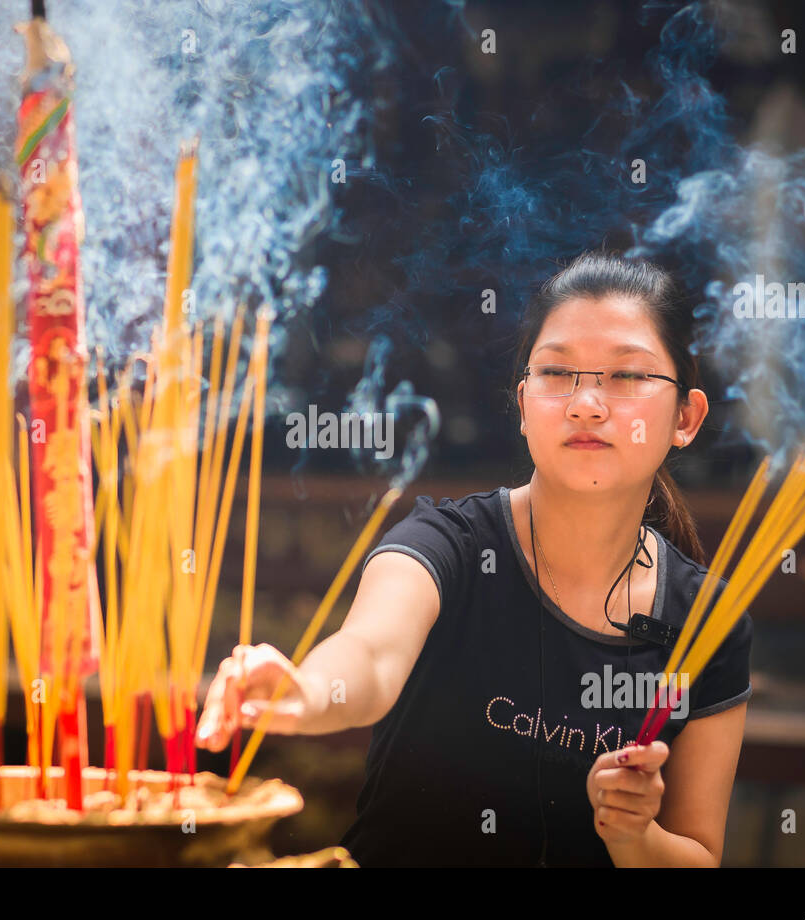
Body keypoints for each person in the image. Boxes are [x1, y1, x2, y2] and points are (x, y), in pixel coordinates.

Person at [196, 250, 753, 866]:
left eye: (625, 377)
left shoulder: (706, 618)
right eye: (556, 373)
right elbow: (372, 656)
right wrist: (306, 691)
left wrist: (632, 836)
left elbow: (700, 854)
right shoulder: (449, 544)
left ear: (686, 417)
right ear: (522, 403)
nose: (586, 403)